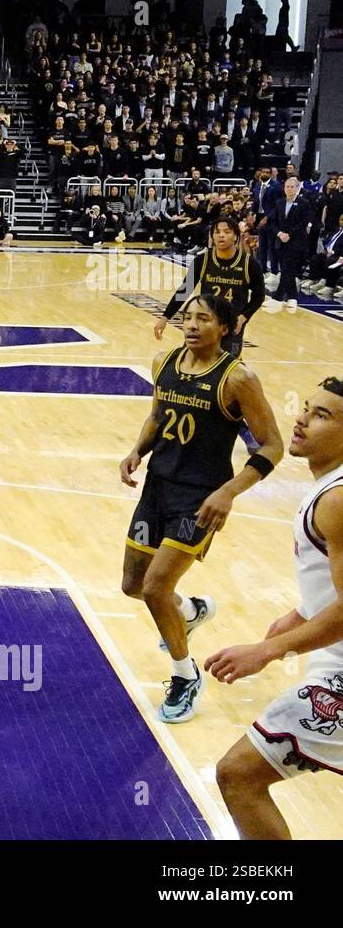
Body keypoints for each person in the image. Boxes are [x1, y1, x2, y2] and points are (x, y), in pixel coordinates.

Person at [119, 294, 283, 723]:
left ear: (224, 328)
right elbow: (158, 416)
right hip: (157, 487)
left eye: (203, 319)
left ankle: (184, 675)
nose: (191, 325)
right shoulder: (164, 362)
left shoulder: (237, 379)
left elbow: (272, 445)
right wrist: (138, 450)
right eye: (187, 318)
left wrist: (229, 491)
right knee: (133, 586)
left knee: (155, 588)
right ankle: (190, 611)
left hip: (201, 498)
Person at [206, 377, 343, 839]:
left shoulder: (338, 499)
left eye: (323, 415)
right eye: (307, 406)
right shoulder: (331, 489)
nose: (301, 418)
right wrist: (303, 614)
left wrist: (268, 650)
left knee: (238, 774)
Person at [155, 216, 265, 357]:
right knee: (190, 361)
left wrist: (244, 316)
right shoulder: (202, 260)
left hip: (231, 324)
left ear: (236, 236)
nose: (221, 235)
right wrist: (165, 317)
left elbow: (259, 296)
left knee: (227, 368)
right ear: (212, 236)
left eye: (227, 232)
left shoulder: (249, 263)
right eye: (217, 232)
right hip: (204, 321)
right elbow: (185, 290)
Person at [266, 176, 312, 310]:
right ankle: (292, 297)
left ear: (297, 188)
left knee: (287, 267)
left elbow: (302, 223)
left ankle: (278, 297)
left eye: (292, 186)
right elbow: (273, 221)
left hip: (296, 241)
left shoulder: (304, 203)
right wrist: (279, 234)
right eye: (287, 186)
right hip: (281, 240)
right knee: (287, 268)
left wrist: (289, 234)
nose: (289, 189)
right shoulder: (279, 202)